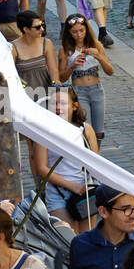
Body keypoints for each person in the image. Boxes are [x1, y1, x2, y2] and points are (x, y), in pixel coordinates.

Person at [29, 88, 99, 233]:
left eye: (63, 103)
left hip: (84, 193)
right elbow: (41, 169)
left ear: (74, 106)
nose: (58, 107)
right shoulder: (45, 131)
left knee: (87, 241)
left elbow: (95, 164)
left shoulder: (86, 130)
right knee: (68, 242)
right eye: (54, 103)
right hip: (58, 194)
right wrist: (71, 186)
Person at [59, 15, 114, 139]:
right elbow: (61, 77)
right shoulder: (65, 50)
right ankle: (87, 155)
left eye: (81, 30)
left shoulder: (96, 45)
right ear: (69, 33)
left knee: (99, 132)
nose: (79, 35)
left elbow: (110, 71)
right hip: (79, 92)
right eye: (74, 32)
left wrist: (99, 57)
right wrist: (72, 66)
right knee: (85, 130)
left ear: (86, 30)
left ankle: (95, 155)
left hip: (97, 90)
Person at [11, 10, 60, 102]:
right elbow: (12, 75)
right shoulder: (13, 48)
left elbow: (53, 70)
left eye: (42, 25)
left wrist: (56, 85)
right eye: (38, 27)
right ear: (26, 29)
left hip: (47, 93)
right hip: (26, 97)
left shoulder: (47, 43)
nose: (42, 29)